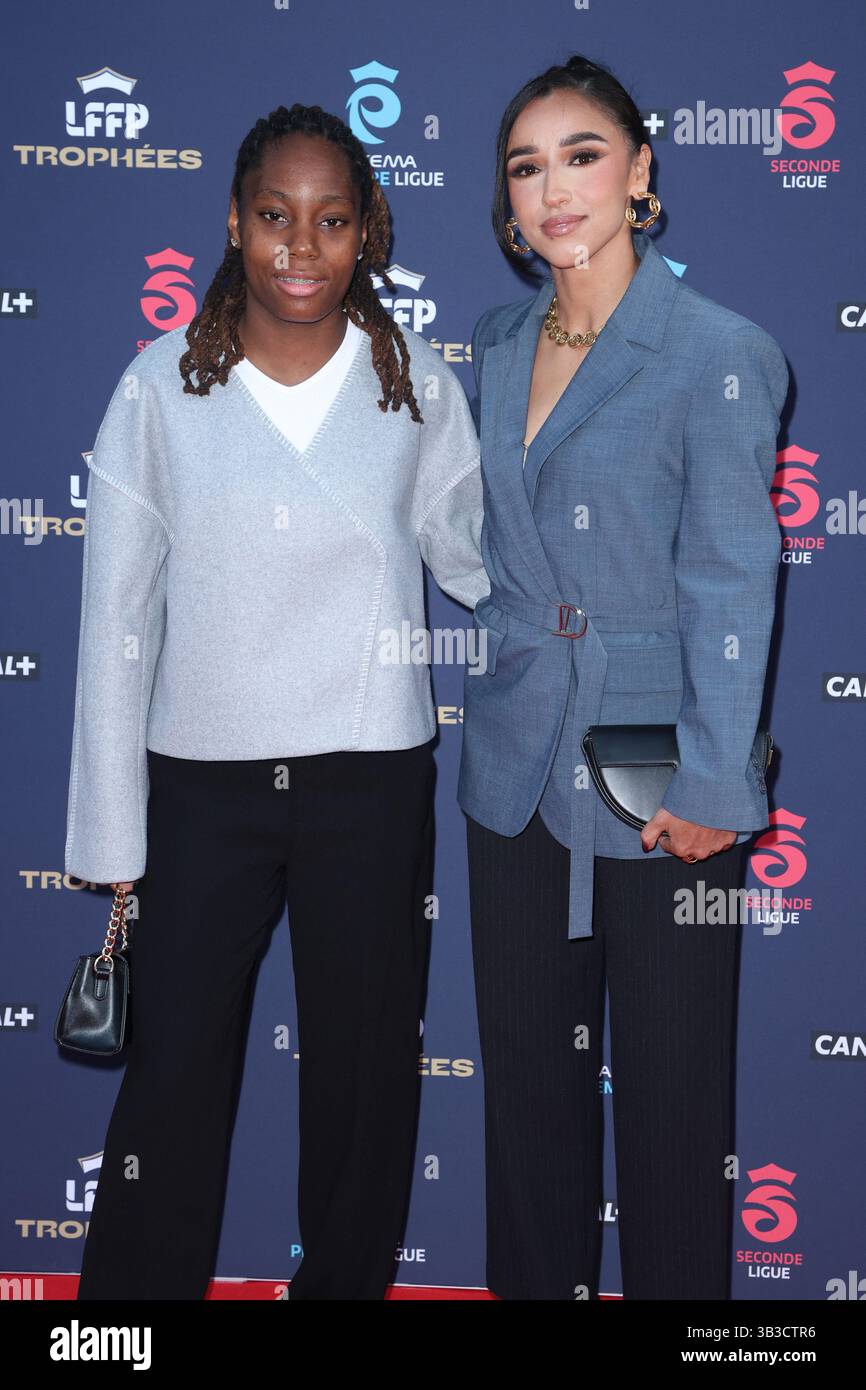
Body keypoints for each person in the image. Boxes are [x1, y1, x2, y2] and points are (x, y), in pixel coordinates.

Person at [65, 102, 489, 1301]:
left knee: (363, 1083)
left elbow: (476, 560)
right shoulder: (160, 392)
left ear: (366, 234)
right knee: (175, 1076)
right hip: (202, 786)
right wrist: (112, 835)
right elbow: (114, 623)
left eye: (330, 220)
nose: (299, 247)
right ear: (235, 223)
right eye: (273, 217)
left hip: (369, 779)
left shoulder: (413, 387)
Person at [457, 54, 789, 1300]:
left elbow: (727, 574)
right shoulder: (491, 346)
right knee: (527, 1121)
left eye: (582, 155)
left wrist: (713, 780)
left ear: (640, 172)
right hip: (514, 771)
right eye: (526, 165)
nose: (554, 189)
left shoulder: (716, 348)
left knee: (669, 1119)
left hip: (665, 790)